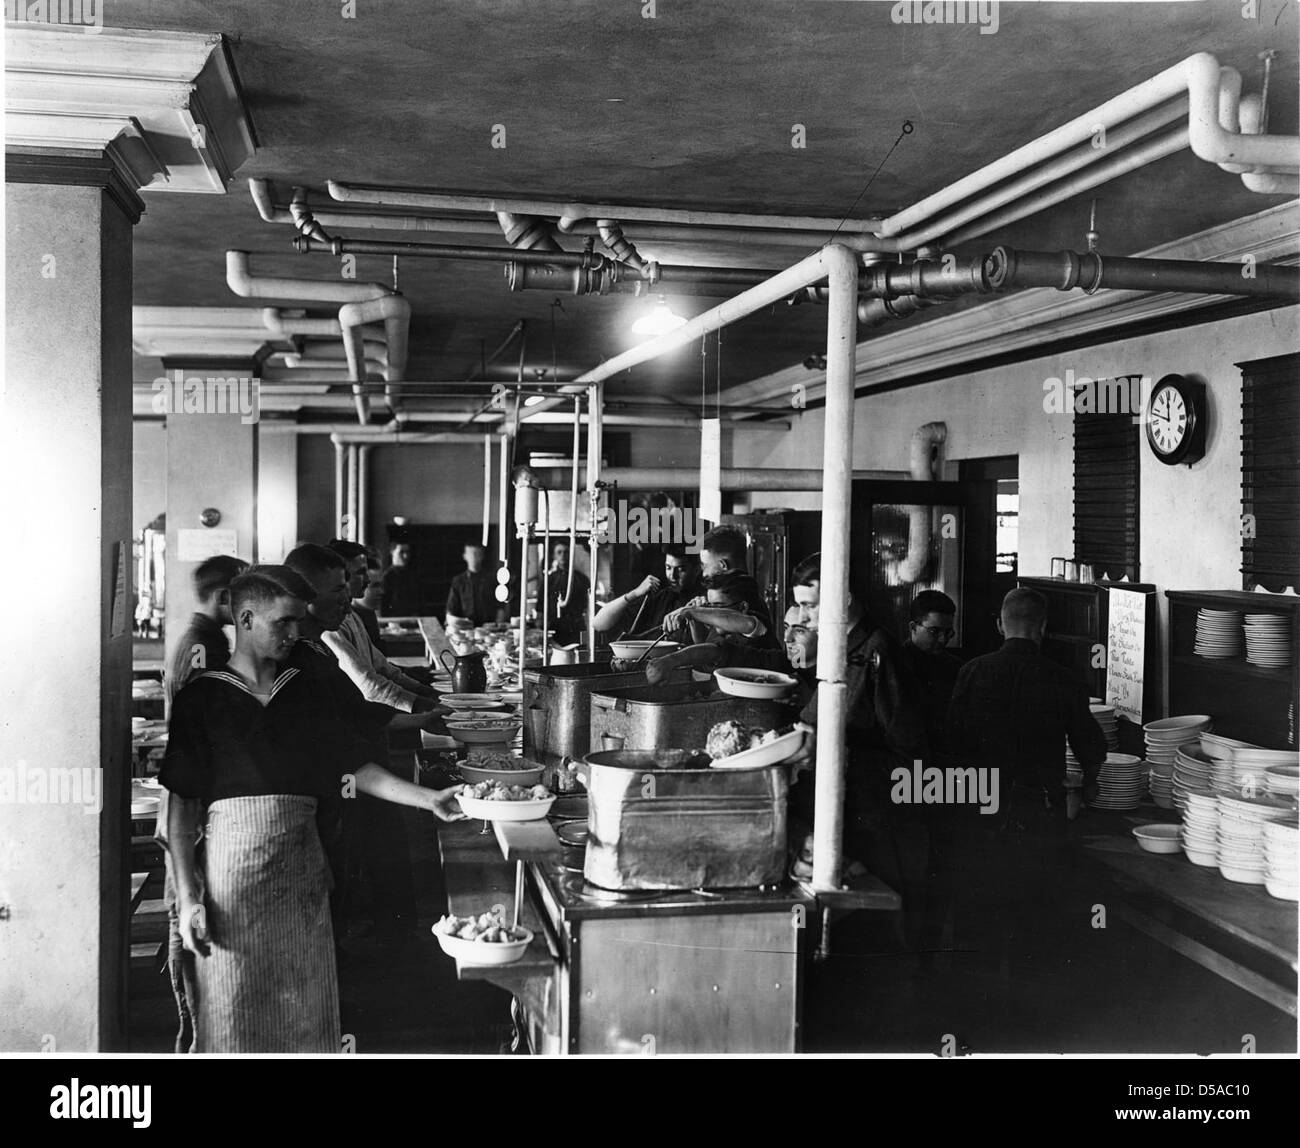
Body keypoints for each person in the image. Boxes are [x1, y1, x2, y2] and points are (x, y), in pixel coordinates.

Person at [161, 566, 464, 1052]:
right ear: (245, 618)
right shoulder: (204, 698)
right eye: (283, 622)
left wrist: (428, 799)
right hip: (229, 884)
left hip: (301, 873)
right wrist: (189, 895)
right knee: (231, 1013)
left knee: (307, 1013)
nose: (295, 633)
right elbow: (181, 808)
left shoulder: (303, 690)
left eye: (299, 621)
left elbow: (352, 767)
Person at [944, 587, 1107, 1033]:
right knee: (1033, 913)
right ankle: (1030, 1024)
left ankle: (971, 1017)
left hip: (980, 810)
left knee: (977, 910)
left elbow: (952, 744)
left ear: (1000, 625)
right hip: (1038, 814)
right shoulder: (1062, 679)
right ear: (1044, 628)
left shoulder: (973, 672)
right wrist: (1088, 785)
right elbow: (1092, 746)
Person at [284, 544, 447, 946]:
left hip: (330, 800)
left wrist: (425, 718)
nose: (350, 595)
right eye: (337, 589)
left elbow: (356, 719)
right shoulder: (290, 663)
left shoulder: (316, 652)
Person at [158, 553, 248, 1054]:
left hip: (195, 791)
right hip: (189, 798)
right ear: (224, 598)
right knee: (185, 914)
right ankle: (191, 1034)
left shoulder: (207, 639)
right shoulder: (203, 646)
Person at [325, 540, 440, 714]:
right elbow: (369, 684)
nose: (367, 579)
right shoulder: (332, 625)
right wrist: (423, 704)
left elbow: (383, 667)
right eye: (361, 572)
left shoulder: (352, 616)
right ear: (341, 575)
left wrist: (430, 693)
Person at [644, 570, 786, 683]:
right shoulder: (721, 628)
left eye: (717, 606)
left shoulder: (756, 622)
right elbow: (704, 649)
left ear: (743, 607)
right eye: (709, 606)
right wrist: (694, 619)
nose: (711, 612)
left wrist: (693, 612)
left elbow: (746, 625)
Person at [593, 545, 702, 636]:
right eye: (668, 568)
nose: (672, 576)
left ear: (696, 570)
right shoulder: (658, 598)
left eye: (680, 570)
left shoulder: (702, 601)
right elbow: (598, 624)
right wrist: (634, 593)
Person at [446, 542, 506, 627]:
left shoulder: (492, 579)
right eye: (471, 554)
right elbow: (451, 610)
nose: (474, 558)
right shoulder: (458, 581)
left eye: (477, 554)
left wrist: (498, 625)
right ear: (465, 556)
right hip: (465, 629)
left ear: (482, 556)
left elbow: (500, 607)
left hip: (489, 628)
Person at [543, 541, 590, 646]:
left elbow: (588, 605)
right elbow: (541, 603)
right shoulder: (549, 579)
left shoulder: (581, 579)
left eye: (566, 552)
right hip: (555, 627)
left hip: (575, 628)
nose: (563, 555)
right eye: (559, 552)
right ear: (554, 556)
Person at [381, 541, 420, 615]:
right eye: (401, 552)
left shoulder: (412, 576)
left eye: (407, 552)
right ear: (392, 552)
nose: (405, 556)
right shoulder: (386, 578)